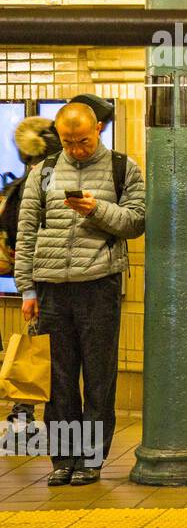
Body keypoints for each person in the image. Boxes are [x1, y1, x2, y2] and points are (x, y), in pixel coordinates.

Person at [14, 101, 144, 486]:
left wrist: (96, 209)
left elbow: (136, 221)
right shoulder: (45, 171)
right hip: (52, 289)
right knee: (60, 380)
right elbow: (26, 232)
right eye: (68, 142)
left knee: (99, 378)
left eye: (83, 141)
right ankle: (63, 459)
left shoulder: (123, 168)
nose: (75, 150)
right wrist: (26, 290)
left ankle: (90, 459)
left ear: (99, 129)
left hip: (98, 286)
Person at [0, 115, 62, 444]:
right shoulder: (41, 184)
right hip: (46, 281)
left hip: (34, 282)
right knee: (42, 348)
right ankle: (23, 412)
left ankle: (22, 413)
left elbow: (13, 239)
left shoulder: (18, 186)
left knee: (38, 345)